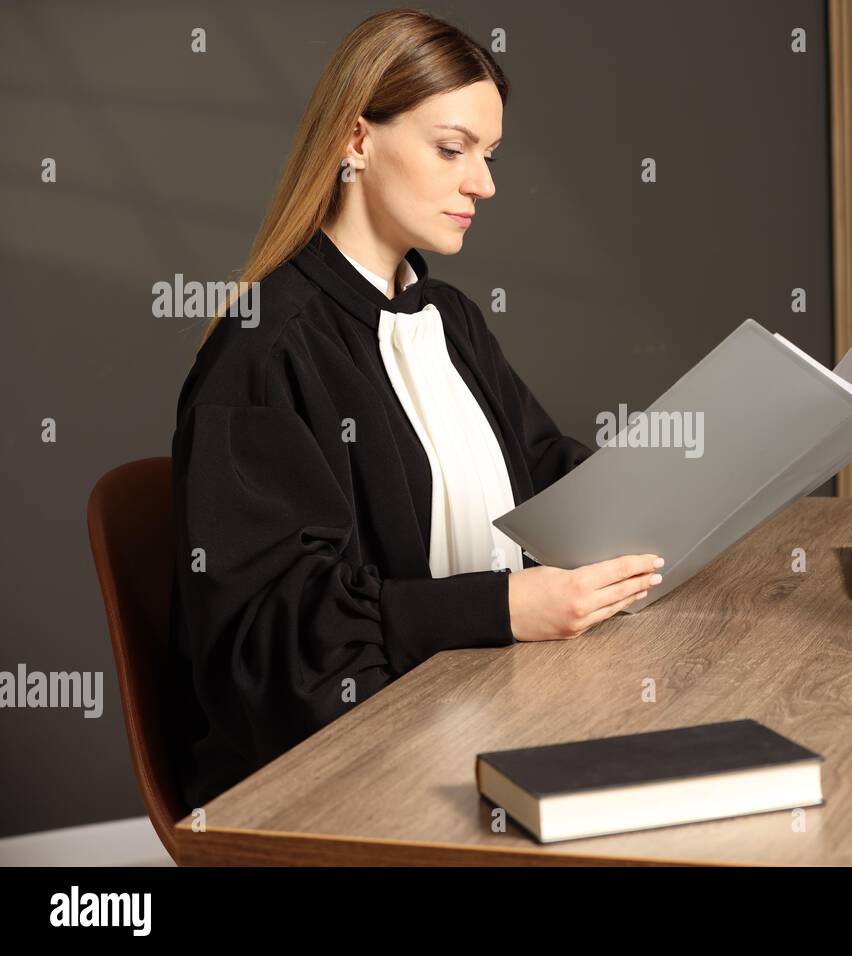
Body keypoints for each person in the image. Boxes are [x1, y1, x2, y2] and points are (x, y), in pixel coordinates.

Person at [169, 9, 662, 809]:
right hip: (326, 775)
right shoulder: (263, 350)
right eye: (451, 148)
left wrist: (688, 474)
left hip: (480, 709)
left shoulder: (451, 319)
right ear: (357, 141)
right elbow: (269, 648)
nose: (484, 183)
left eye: (490, 155)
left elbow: (543, 476)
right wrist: (502, 606)